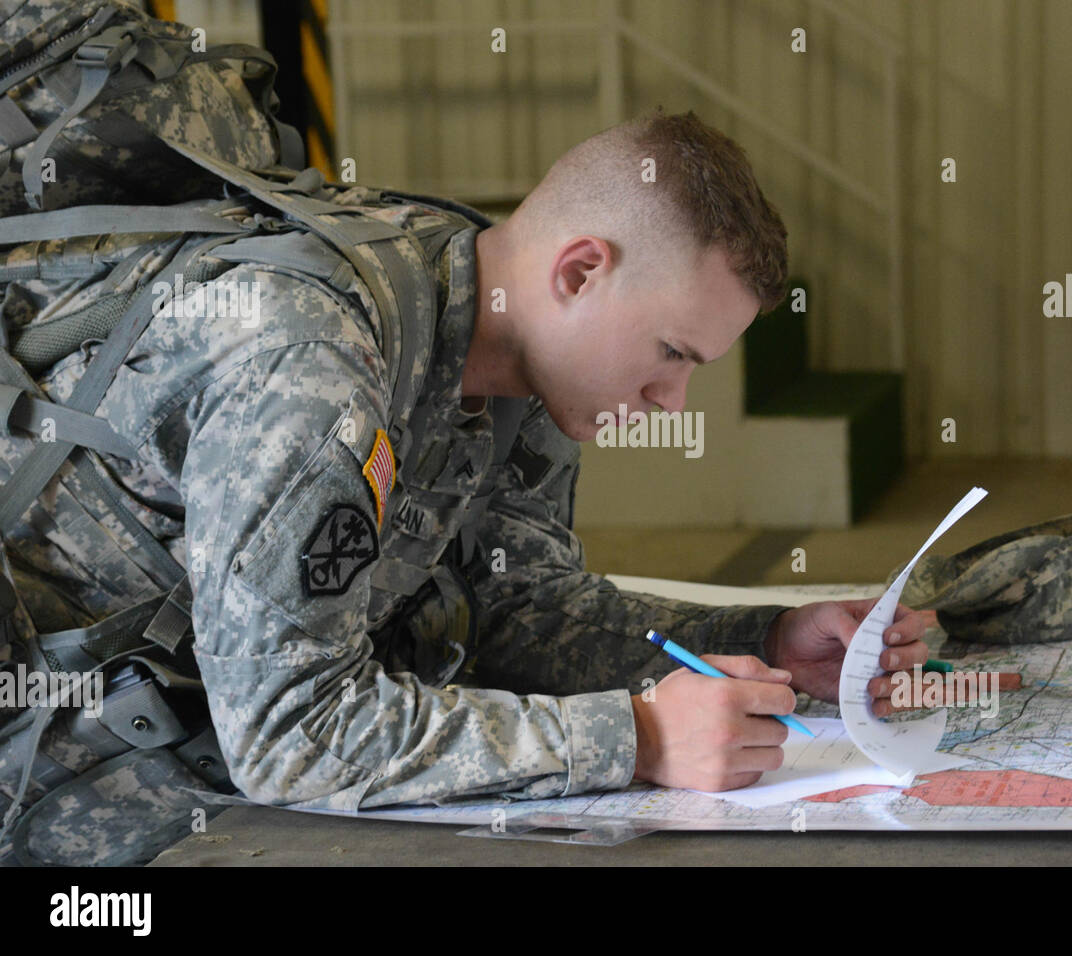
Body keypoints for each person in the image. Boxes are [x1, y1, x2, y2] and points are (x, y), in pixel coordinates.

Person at [2, 109, 934, 820]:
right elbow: (291, 737)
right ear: (579, 271)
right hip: (67, 778)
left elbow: (517, 611)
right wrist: (637, 738)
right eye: (672, 354)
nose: (672, 403)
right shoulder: (309, 366)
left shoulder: (514, 360)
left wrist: (772, 641)